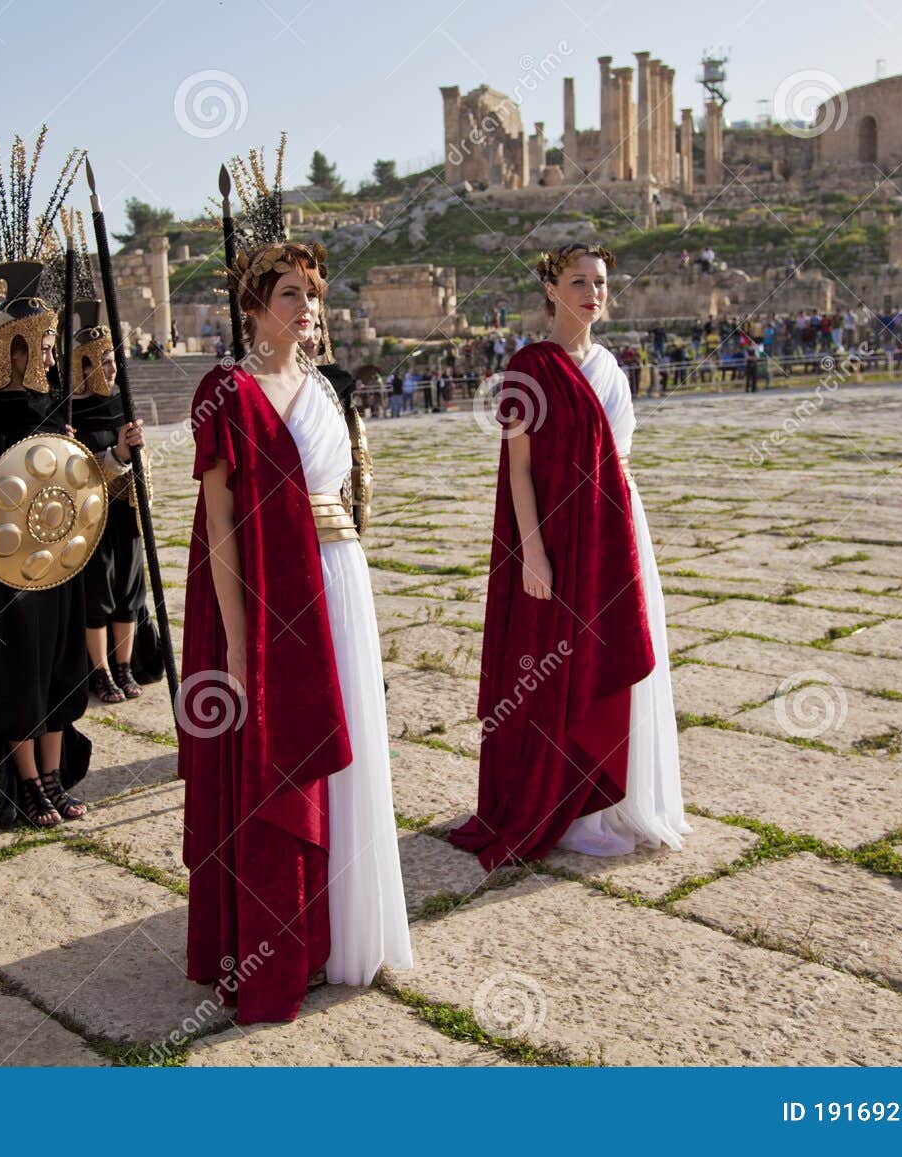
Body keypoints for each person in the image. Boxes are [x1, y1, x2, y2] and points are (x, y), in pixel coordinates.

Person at [182, 232, 410, 1023]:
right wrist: (236, 641)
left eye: (313, 293)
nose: (308, 306)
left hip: (340, 580)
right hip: (271, 594)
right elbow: (219, 529)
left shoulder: (322, 387)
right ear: (254, 306)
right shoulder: (225, 391)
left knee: (347, 749)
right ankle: (282, 938)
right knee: (280, 764)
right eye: (290, 294)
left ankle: (341, 927)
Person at [450, 243, 689, 869]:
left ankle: (608, 798)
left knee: (612, 655)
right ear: (551, 289)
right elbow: (518, 470)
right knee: (561, 665)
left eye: (601, 282)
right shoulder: (529, 366)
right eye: (578, 281)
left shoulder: (611, 366)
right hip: (556, 536)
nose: (592, 293)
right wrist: (532, 552)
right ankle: (567, 803)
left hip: (617, 529)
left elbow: (621, 459)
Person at [0, 262, 93, 839]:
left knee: (58, 667)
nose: (53, 358)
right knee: (19, 674)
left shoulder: (56, 407)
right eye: (46, 345)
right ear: (16, 348)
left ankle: (52, 777)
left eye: (54, 346)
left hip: (58, 562)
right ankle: (26, 782)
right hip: (8, 573)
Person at [66, 306, 150, 704]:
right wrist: (117, 455)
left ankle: (124, 666)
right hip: (90, 517)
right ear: (83, 365)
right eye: (102, 361)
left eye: (113, 360)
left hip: (125, 512)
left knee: (129, 593)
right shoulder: (69, 413)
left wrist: (138, 452)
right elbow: (75, 472)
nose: (112, 368)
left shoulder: (123, 402)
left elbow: (139, 461)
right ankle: (100, 672)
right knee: (97, 596)